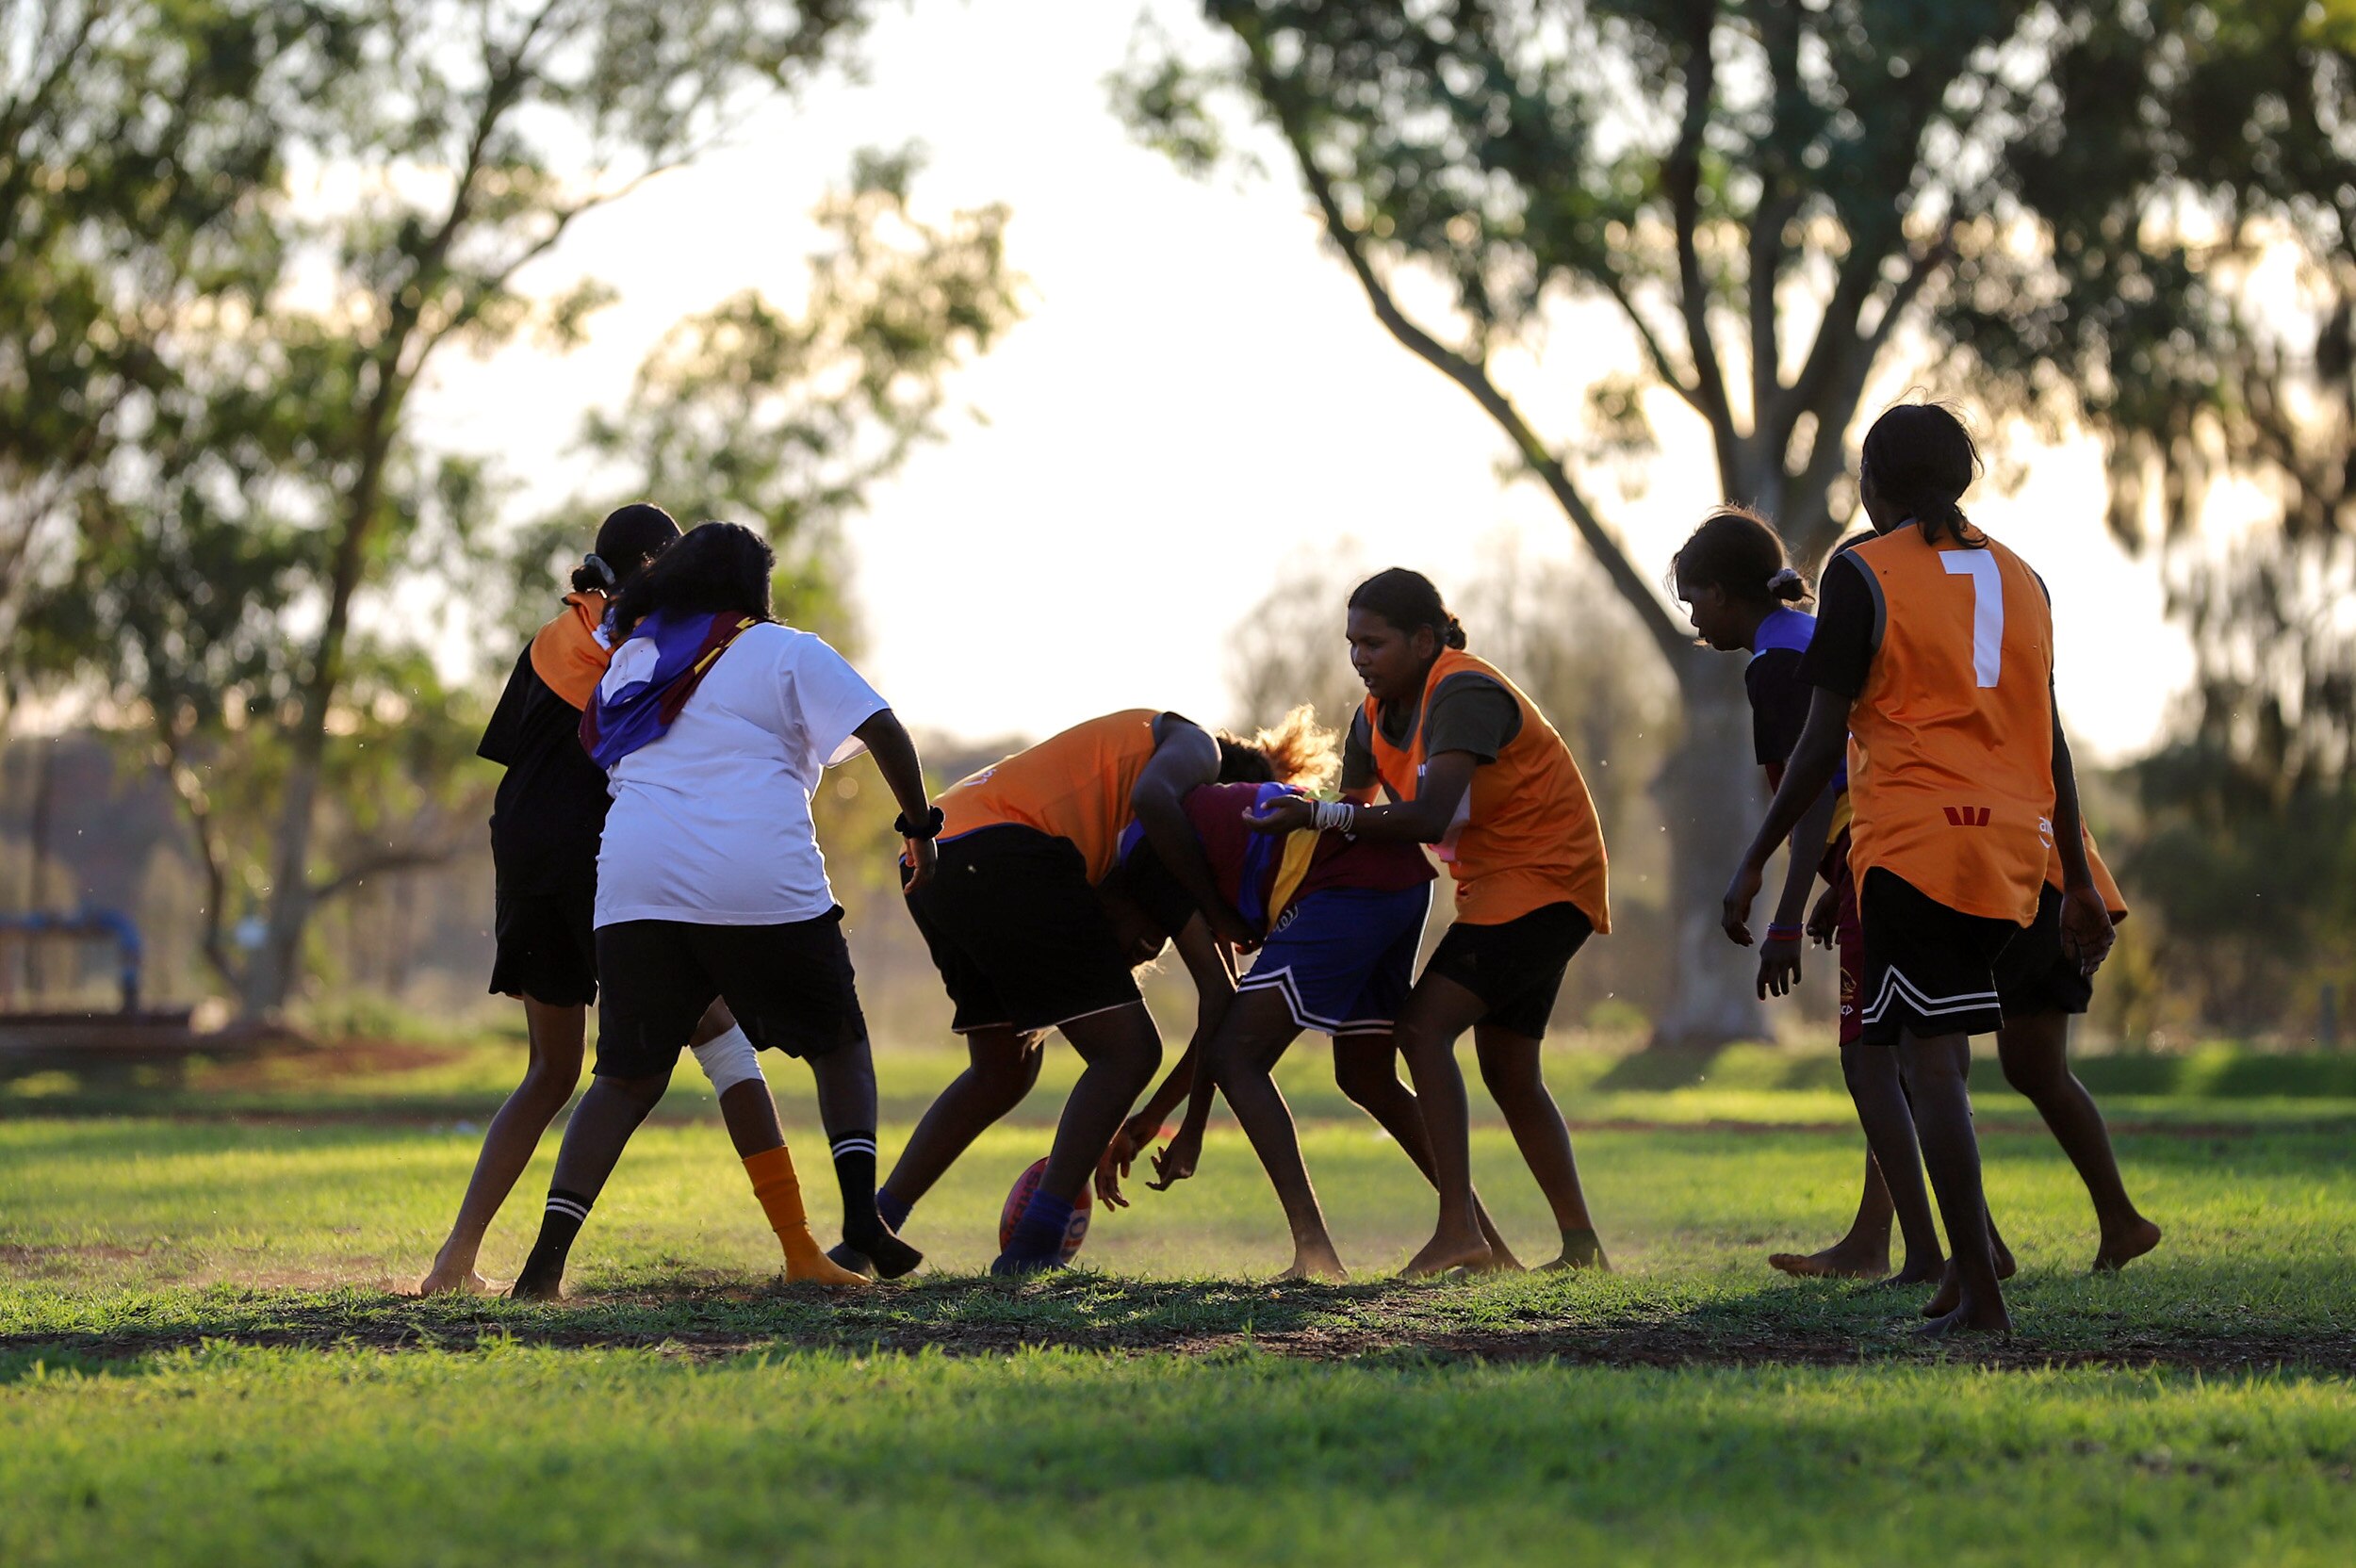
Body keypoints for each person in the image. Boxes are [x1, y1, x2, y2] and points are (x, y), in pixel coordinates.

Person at [1723, 401, 2116, 1335]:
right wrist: (2081, 875)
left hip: (1914, 846)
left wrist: (1753, 861)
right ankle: (1957, 1274)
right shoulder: (2024, 577)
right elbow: (2047, 737)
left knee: (1927, 1069)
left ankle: (1976, 1287)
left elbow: (1820, 744)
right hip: (2016, 853)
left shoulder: (1859, 568)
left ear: (1872, 481)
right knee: (1932, 1060)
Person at [508, 521, 936, 1299]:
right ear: (750, 589)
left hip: (635, 886)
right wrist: (920, 831)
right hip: (756, 876)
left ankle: (543, 1266)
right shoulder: (784, 648)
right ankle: (861, 1220)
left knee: (625, 1081)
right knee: (838, 1044)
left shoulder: (635, 657)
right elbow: (883, 731)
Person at [419, 504, 784, 1296]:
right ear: (659, 566)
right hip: (597, 862)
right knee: (719, 1033)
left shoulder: (551, 639)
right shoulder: (656, 642)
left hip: (520, 858)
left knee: (551, 1069)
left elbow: (518, 756)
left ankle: (453, 1261)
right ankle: (807, 1246)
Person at [849, 709, 1326, 1276]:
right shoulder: (1193, 747)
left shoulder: (1142, 820)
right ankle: (1035, 1246)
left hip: (933, 860)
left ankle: (868, 1235)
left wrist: (1166, 1119)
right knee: (1130, 1050)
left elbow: (1220, 998)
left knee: (1003, 1070)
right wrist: (1221, 909)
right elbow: (1154, 801)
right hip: (1001, 851)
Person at [1247, 569, 1613, 1277]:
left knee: (1421, 1029)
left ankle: (1459, 1233)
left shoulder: (1463, 690)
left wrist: (1317, 813)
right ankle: (1581, 1249)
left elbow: (1426, 815)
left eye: (1375, 643)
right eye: (1352, 643)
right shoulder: (1371, 717)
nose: (1360, 658)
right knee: (1509, 1072)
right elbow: (1352, 823)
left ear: (1424, 639)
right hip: (1496, 889)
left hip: (1545, 879)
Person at [1096, 774, 1524, 1279]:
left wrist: (1187, 1129)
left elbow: (1222, 1016)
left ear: (1109, 905)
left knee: (1240, 1057)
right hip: (1396, 883)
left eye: (1125, 946)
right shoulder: (1186, 853)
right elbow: (1227, 1018)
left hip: (1345, 886)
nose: (1142, 952)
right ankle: (1487, 1250)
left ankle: (1315, 1255)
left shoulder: (1146, 854)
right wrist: (1158, 1118)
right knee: (1366, 1076)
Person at [1673, 508, 1943, 1286]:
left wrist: (1780, 907)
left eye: (1694, 601)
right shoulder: (1802, 635)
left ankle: (1932, 1252)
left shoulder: (1776, 663)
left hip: (1885, 854)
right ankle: (1879, 1241)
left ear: (1723, 596)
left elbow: (1820, 787)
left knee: (1872, 1063)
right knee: (1896, 1061)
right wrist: (1836, 882)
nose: (1693, 618)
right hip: (1884, 857)